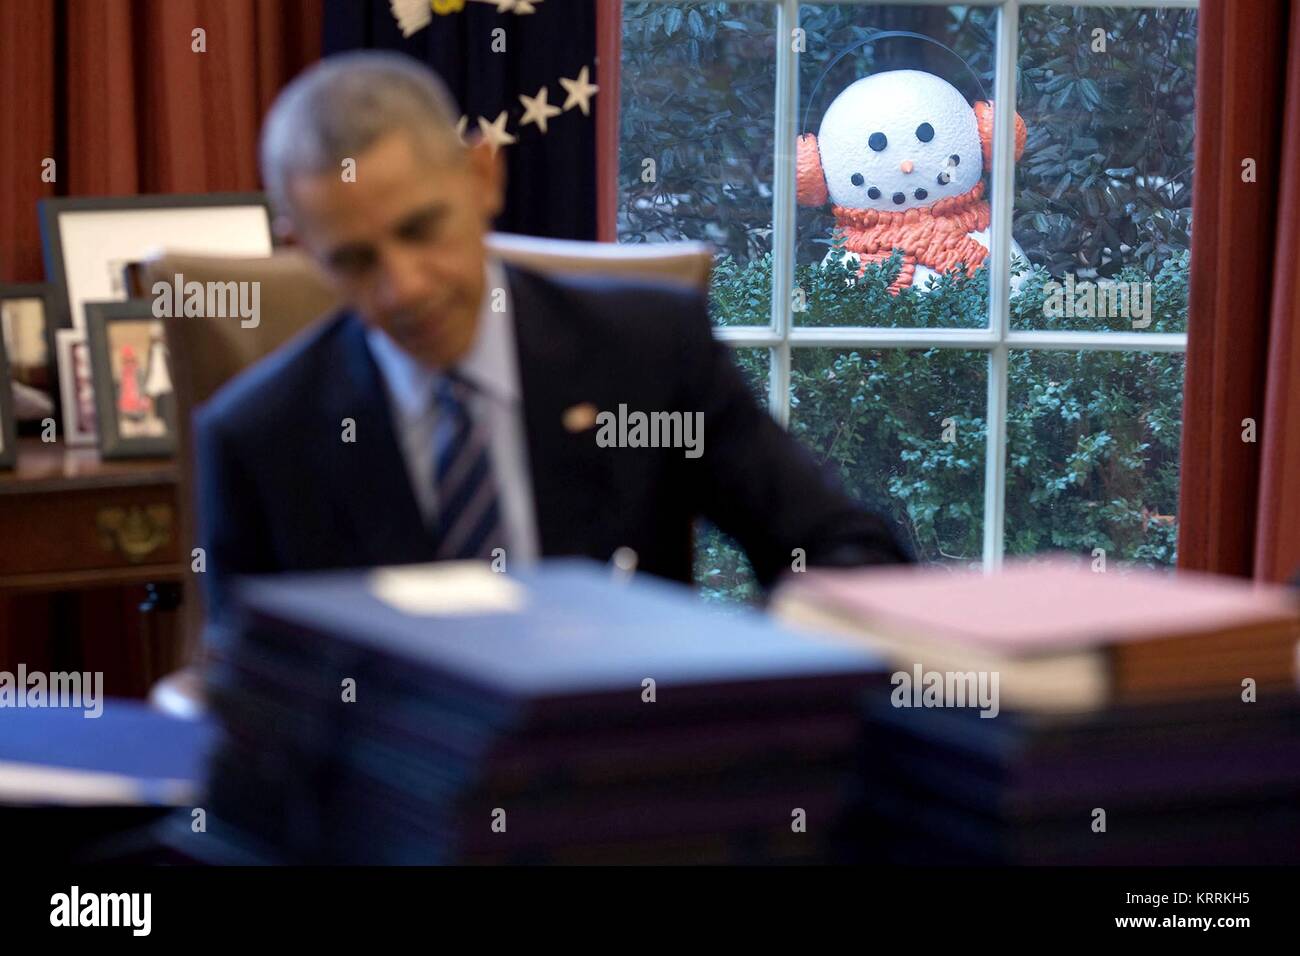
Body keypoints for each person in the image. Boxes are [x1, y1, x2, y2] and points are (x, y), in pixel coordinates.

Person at [195, 51, 910, 631]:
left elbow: (846, 552)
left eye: (421, 229)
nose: (403, 287)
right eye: (353, 260)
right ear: (299, 250)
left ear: (483, 176)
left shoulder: (649, 353)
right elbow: (255, 711)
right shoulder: (258, 438)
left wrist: (718, 676)